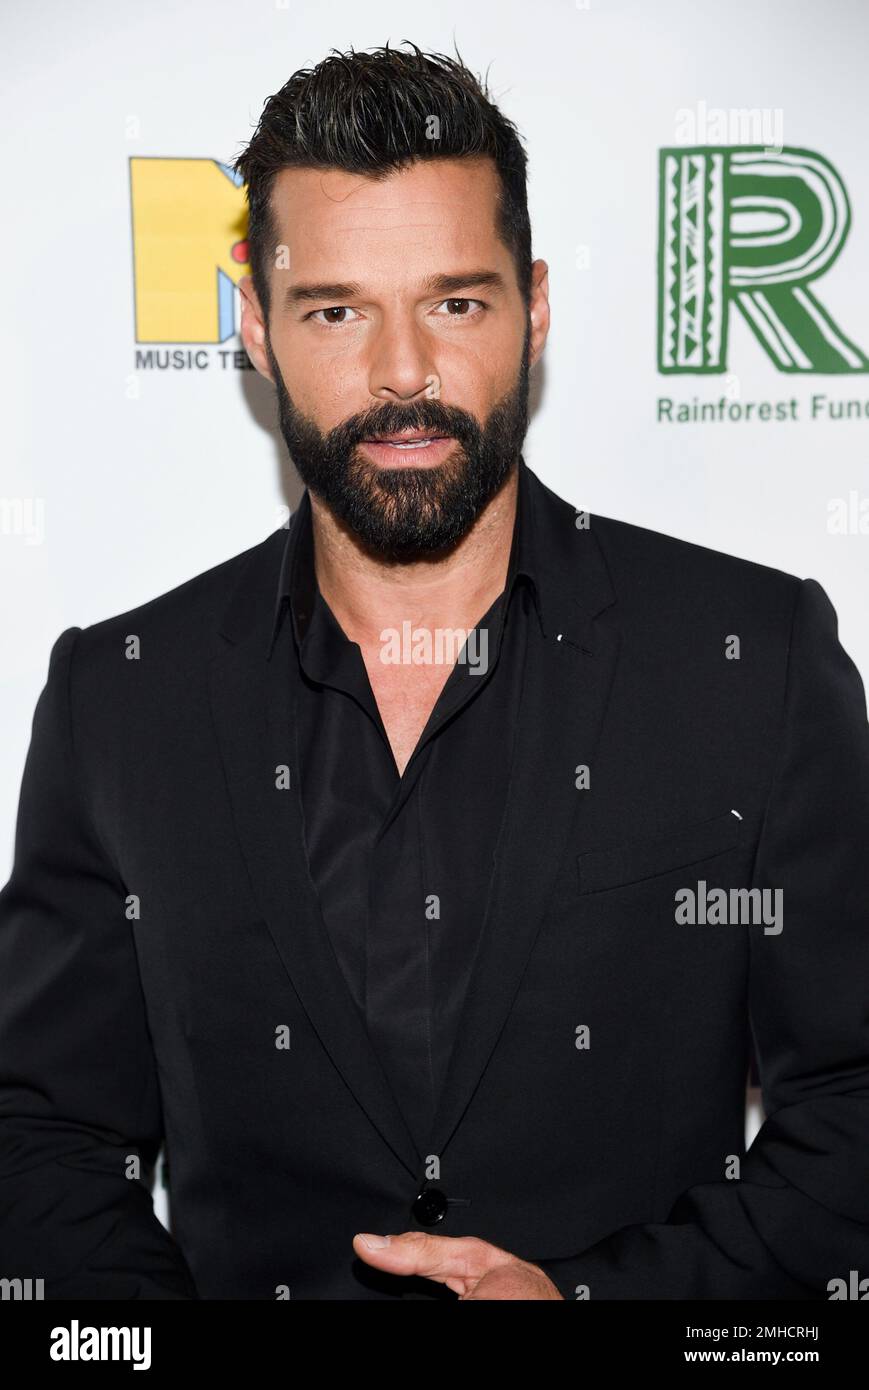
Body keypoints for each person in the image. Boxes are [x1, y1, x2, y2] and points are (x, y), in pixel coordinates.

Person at [1, 41, 867, 1301]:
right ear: (257, 328)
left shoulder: (749, 660)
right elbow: (43, 1135)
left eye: (454, 302)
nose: (402, 372)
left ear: (537, 307)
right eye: (336, 309)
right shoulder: (123, 695)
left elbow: (850, 1105)